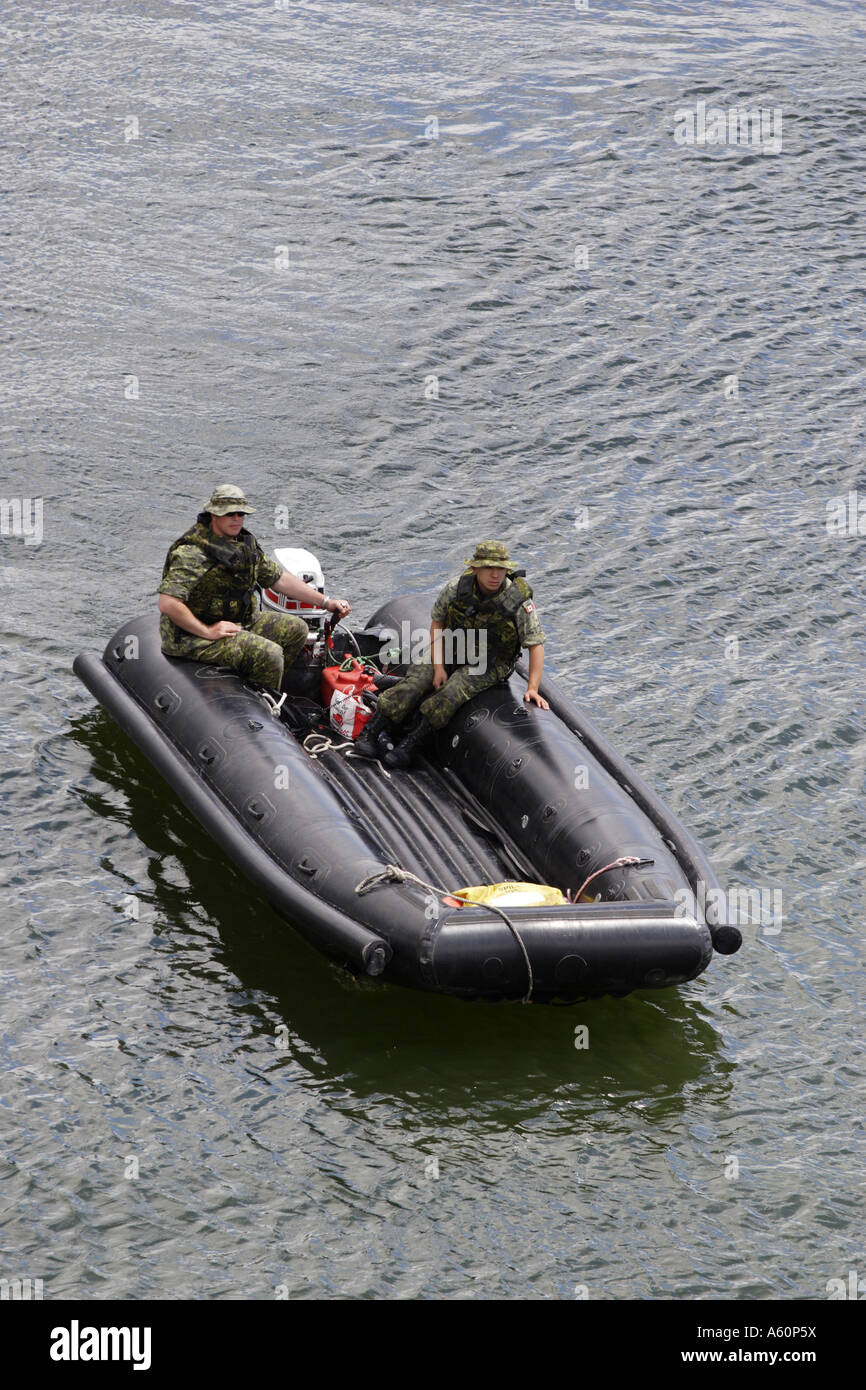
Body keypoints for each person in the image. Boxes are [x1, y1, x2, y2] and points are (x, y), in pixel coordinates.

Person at [356, 540, 549, 767]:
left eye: (500, 569)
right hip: (452, 646)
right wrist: (438, 667)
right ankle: (372, 730)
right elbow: (437, 623)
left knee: (451, 692)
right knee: (415, 683)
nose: (495, 575)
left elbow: (535, 645)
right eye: (488, 568)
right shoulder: (457, 589)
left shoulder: (518, 601)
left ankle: (412, 742)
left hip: (489, 661)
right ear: (476, 569)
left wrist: (533, 688)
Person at [157, 484, 351, 690]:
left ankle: (262, 689)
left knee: (297, 629)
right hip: (191, 636)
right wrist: (208, 631)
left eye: (240, 513)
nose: (236, 519)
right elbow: (168, 602)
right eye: (229, 513)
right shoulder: (193, 553)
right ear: (213, 514)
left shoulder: (243, 544)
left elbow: (279, 579)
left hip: (236, 621)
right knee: (270, 654)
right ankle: (262, 702)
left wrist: (325, 602)